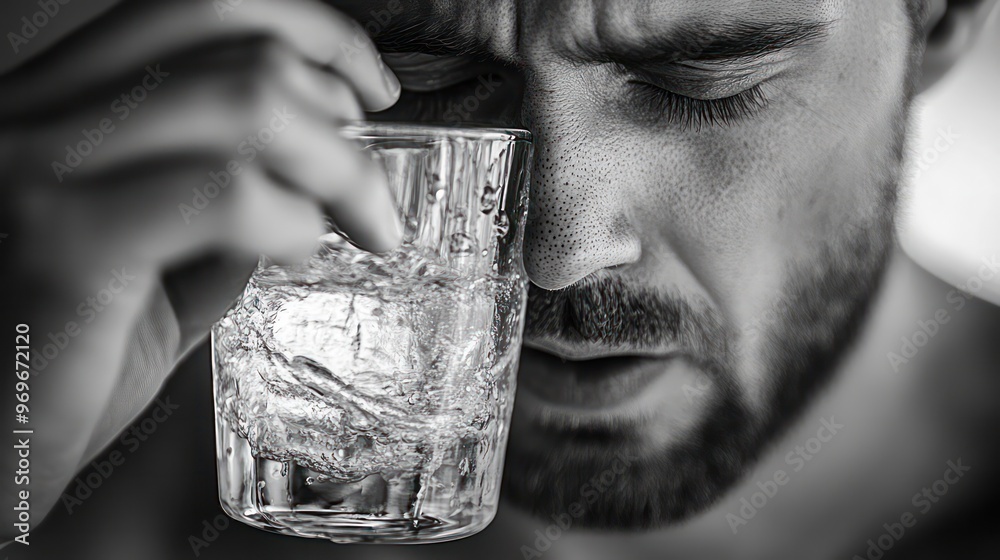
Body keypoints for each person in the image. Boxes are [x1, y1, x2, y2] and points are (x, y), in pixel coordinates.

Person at [1, 0, 997, 550]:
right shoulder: (97, 468)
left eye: (705, 81)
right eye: (424, 78)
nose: (554, 246)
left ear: (940, 25)